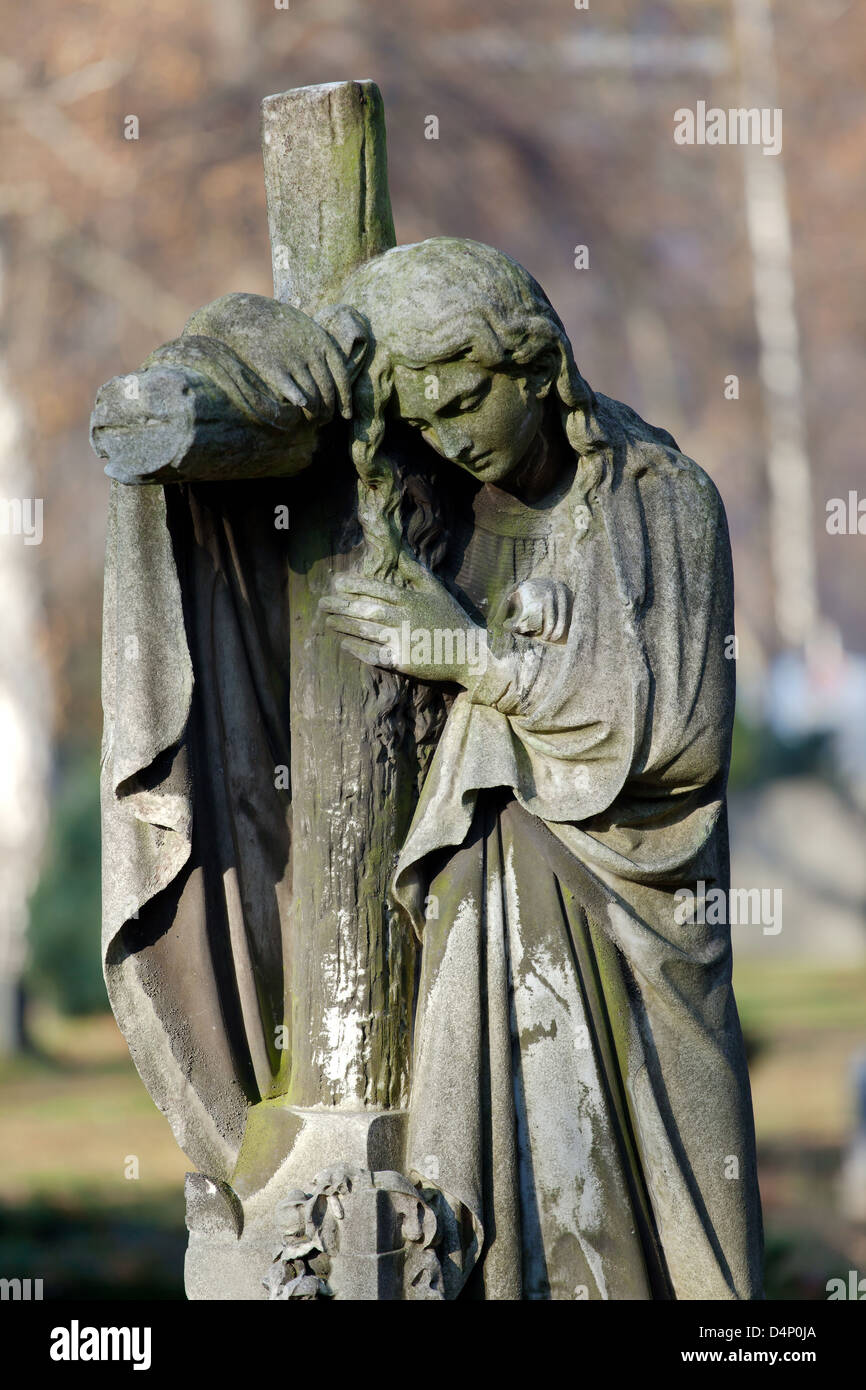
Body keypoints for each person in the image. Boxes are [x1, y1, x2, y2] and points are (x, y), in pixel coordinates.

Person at [316, 237, 764, 1299]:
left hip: (637, 932)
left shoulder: (664, 507)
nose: (449, 436)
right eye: (422, 419)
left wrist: (473, 657)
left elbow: (680, 736)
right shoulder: (436, 520)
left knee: (672, 1250)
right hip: (485, 929)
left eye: (465, 400)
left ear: (537, 366)